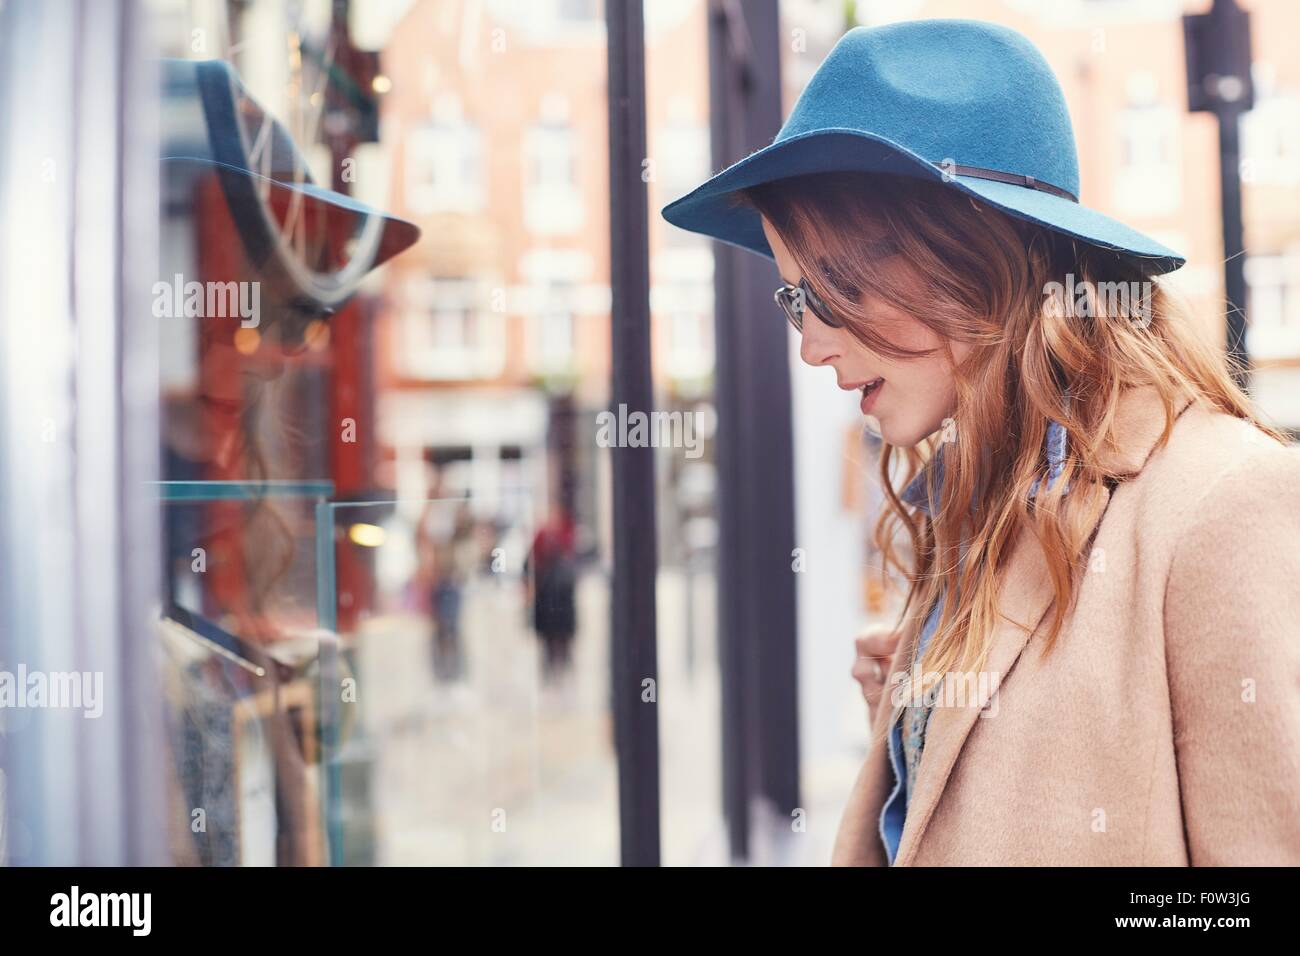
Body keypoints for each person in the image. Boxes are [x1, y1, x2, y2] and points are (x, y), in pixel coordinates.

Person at [661, 20, 1300, 865]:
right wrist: (923, 723)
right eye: (794, 300)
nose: (811, 344)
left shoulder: (1222, 506)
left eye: (829, 291)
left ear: (967, 255)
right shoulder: (976, 498)